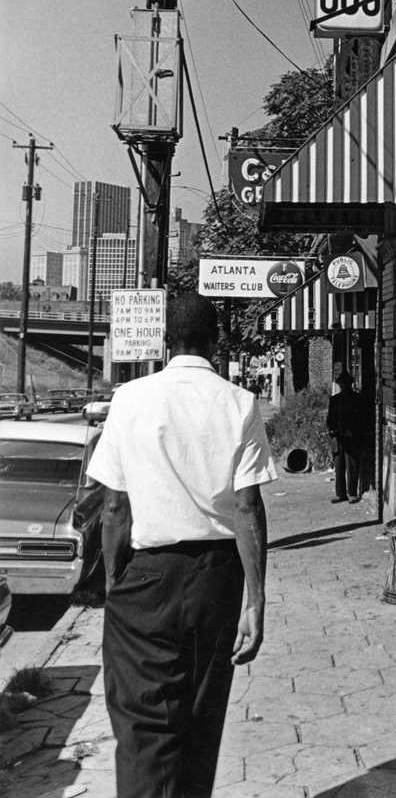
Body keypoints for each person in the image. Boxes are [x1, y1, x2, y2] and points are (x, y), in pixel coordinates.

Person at [87, 292, 278, 798]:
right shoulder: (239, 403)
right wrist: (255, 602)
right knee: (201, 717)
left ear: (167, 341)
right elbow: (247, 508)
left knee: (143, 722)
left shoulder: (130, 399)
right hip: (217, 579)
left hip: (146, 574)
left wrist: (115, 580)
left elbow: (114, 507)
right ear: (215, 342)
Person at [326, 369, 365, 503]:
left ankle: (352, 493)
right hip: (338, 437)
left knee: (352, 465)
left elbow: (360, 419)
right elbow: (330, 419)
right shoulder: (334, 400)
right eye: (342, 383)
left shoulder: (357, 399)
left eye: (346, 383)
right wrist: (333, 431)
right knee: (339, 466)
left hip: (352, 436)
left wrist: (352, 431)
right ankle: (340, 493)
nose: (344, 385)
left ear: (350, 384)